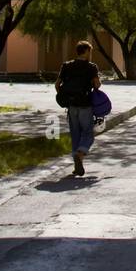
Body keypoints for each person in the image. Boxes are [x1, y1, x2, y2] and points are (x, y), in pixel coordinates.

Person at [56, 40, 101, 176]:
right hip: (85, 104)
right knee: (88, 133)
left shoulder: (66, 65)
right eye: (90, 51)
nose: (90, 54)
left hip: (71, 105)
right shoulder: (91, 67)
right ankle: (80, 154)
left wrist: (65, 97)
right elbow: (97, 85)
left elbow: (57, 85)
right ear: (86, 51)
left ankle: (77, 164)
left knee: (75, 134)